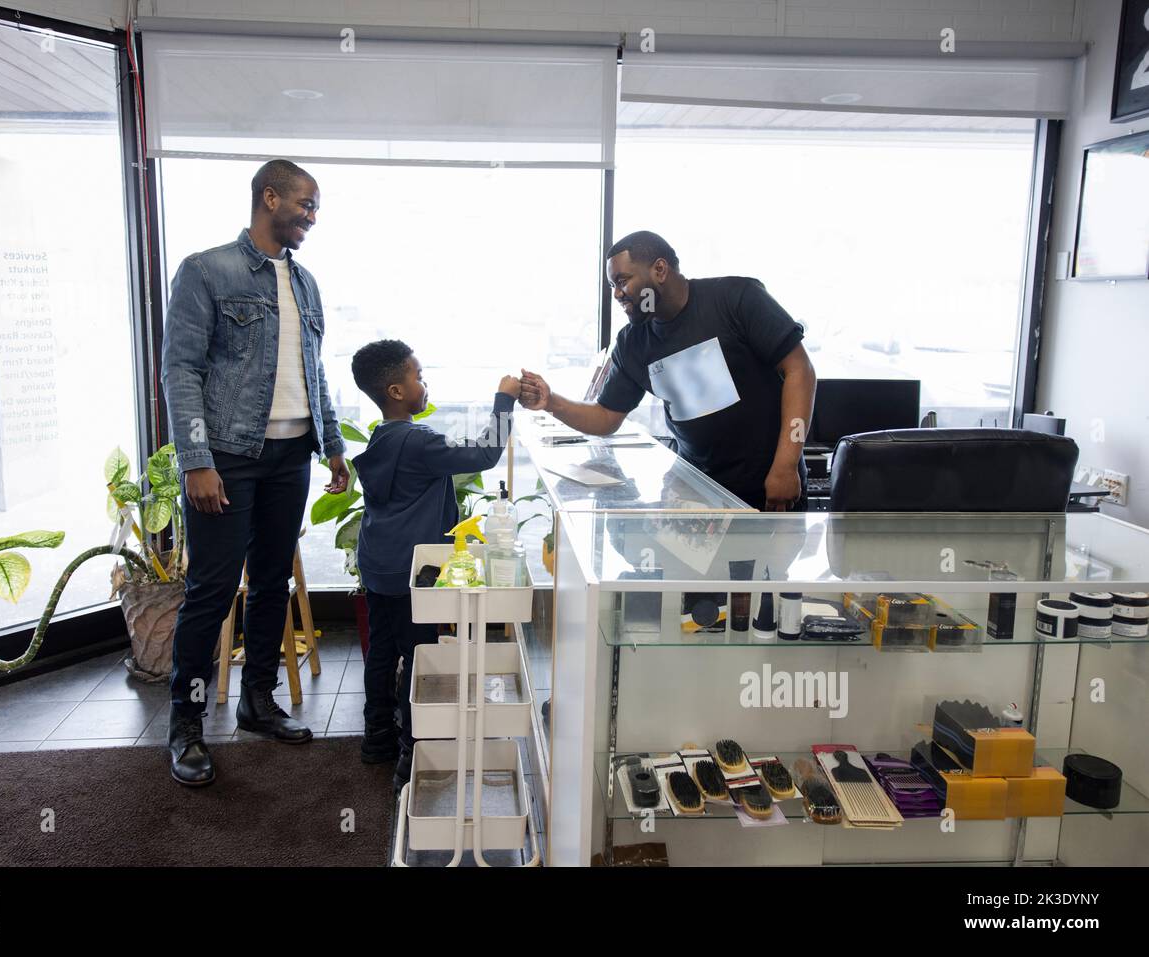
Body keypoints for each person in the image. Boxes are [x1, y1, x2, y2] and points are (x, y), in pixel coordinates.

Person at [160, 159, 348, 787]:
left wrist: (335, 446)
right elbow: (179, 372)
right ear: (270, 198)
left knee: (272, 585)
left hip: (291, 457)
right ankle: (184, 725)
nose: (313, 217)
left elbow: (315, 372)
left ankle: (257, 701)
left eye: (316, 208)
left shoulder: (308, 283)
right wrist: (196, 460)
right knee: (211, 593)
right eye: (306, 204)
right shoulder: (205, 271)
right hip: (228, 460)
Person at [521, 230, 816, 511]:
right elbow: (606, 417)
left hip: (769, 487)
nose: (617, 294)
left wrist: (786, 465)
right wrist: (551, 402)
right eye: (612, 285)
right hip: (695, 493)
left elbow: (800, 370)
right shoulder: (632, 343)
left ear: (659, 270)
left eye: (622, 280)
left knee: (768, 565)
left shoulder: (736, 298)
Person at [349, 339, 519, 792]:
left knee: (383, 651)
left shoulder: (381, 438)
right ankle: (412, 749)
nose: (425, 383)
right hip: (412, 572)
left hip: (378, 562)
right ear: (397, 390)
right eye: (418, 376)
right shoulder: (419, 442)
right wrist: (504, 398)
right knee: (420, 656)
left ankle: (377, 738)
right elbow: (485, 453)